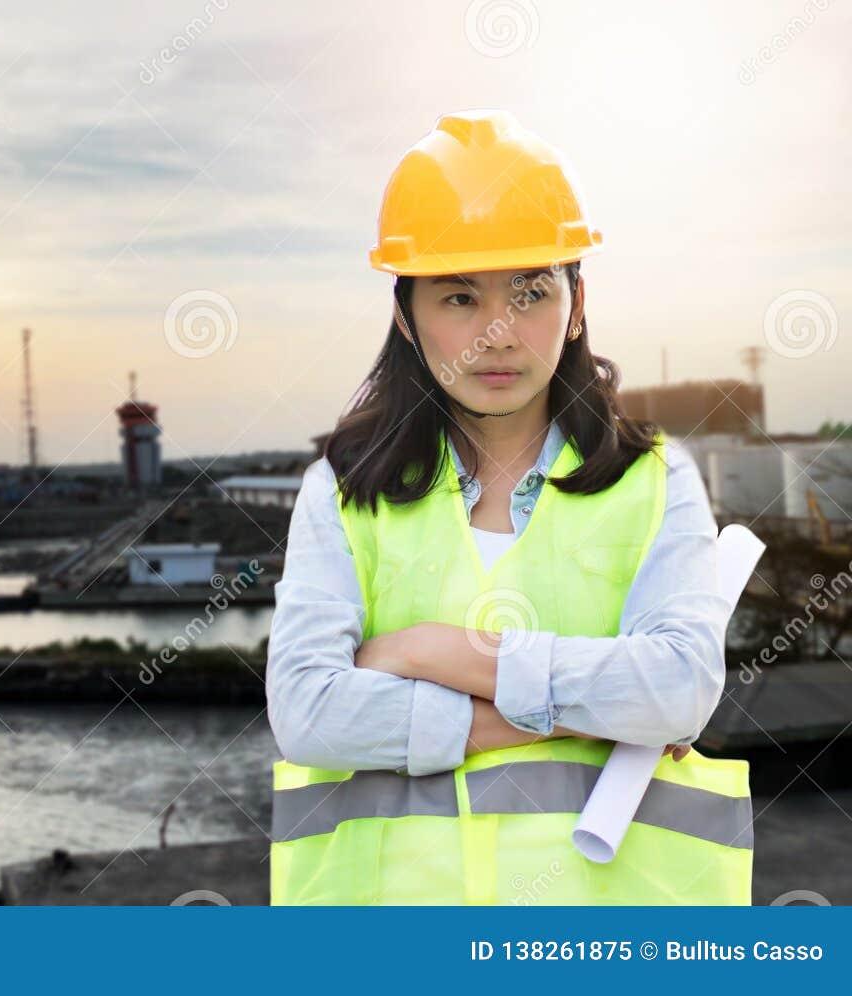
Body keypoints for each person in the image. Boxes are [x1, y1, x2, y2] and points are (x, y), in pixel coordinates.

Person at [265, 110, 752, 905]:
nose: (497, 333)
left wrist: (423, 648)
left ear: (578, 301)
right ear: (406, 317)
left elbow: (678, 691)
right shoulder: (345, 489)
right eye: (460, 297)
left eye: (530, 292)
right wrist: (588, 711)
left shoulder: (656, 481)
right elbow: (310, 712)